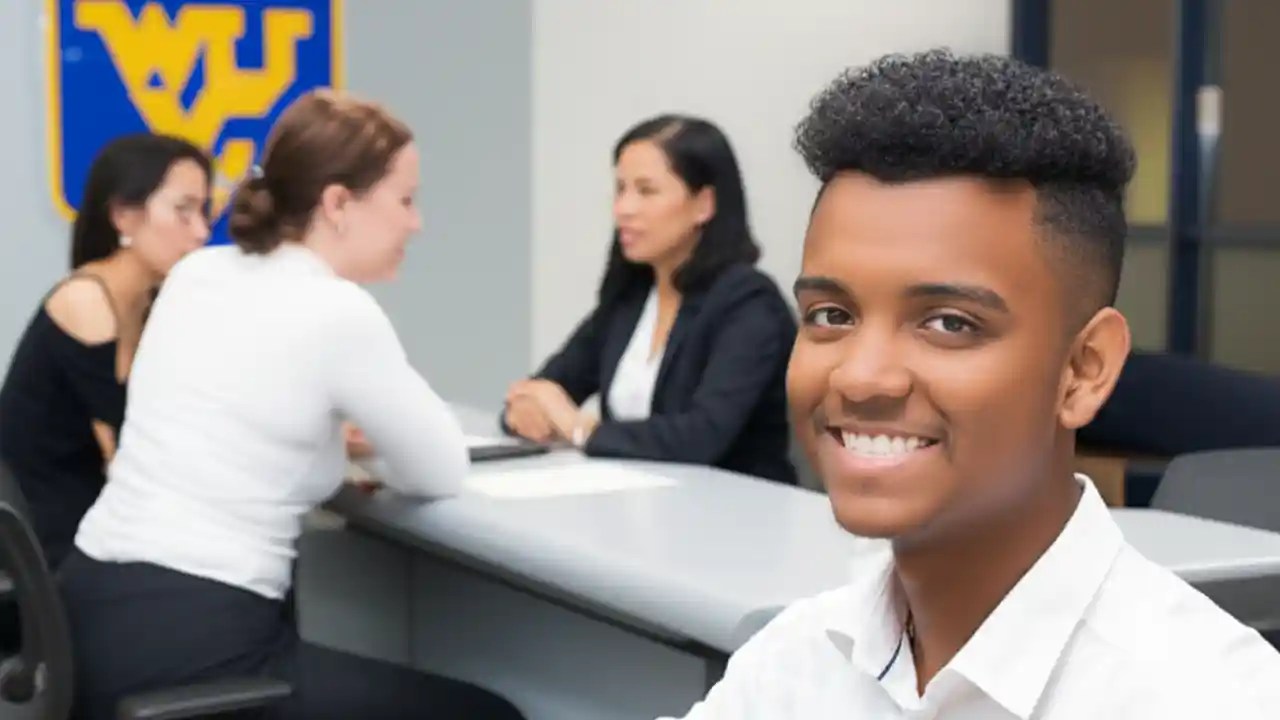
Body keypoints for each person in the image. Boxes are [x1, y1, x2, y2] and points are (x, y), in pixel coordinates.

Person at [661, 50, 1280, 719]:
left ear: (1084, 370)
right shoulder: (791, 663)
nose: (862, 376)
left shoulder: (1212, 699)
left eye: (949, 323)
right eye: (831, 315)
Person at [58, 91, 524, 719]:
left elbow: (231, 423)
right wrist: (366, 446)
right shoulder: (336, 309)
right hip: (194, 643)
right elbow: (440, 468)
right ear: (337, 204)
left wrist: (331, 439)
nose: (418, 224)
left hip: (84, 617)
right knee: (486, 715)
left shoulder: (199, 273)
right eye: (406, 201)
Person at [503, 115, 797, 484]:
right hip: (637, 507)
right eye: (620, 189)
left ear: (703, 204)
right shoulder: (631, 298)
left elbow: (700, 437)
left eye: (646, 191)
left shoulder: (750, 304)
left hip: (736, 517)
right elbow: (547, 388)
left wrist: (579, 429)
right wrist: (524, 409)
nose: (623, 208)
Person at [0, 133, 211, 571]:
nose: (202, 231)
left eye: (204, 211)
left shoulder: (151, 304)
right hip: (49, 547)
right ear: (123, 216)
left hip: (95, 524)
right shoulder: (86, 300)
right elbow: (137, 438)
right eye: (183, 210)